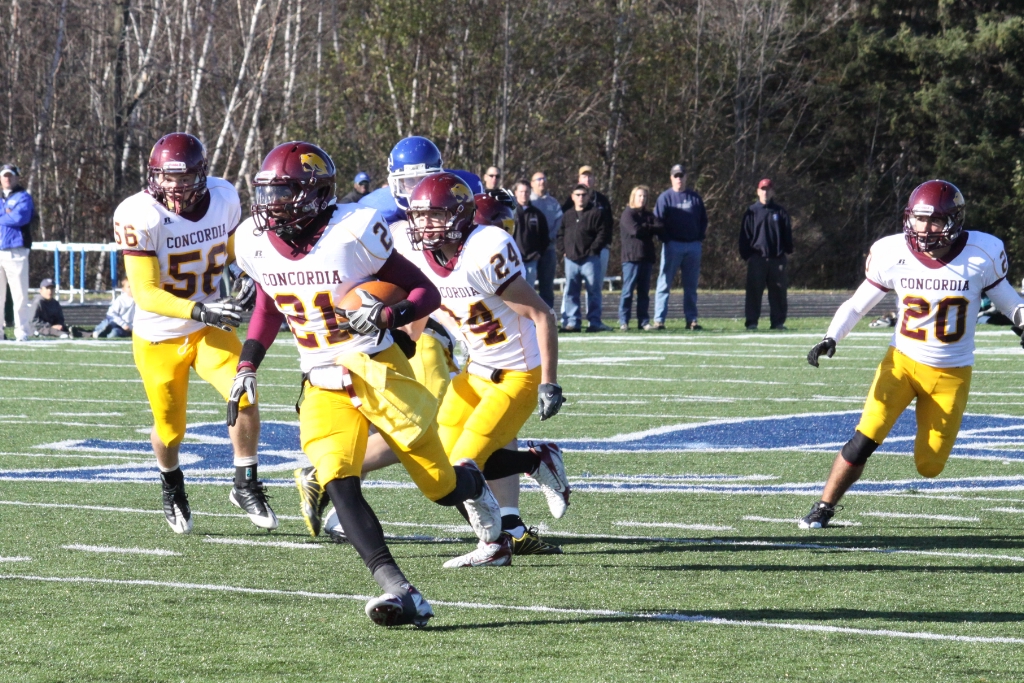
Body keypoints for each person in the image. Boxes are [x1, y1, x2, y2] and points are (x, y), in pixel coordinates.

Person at [232, 142, 503, 626]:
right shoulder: (252, 239)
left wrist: (387, 313)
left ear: (314, 193)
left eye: (284, 193)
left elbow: (425, 291)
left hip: (379, 371)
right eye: (267, 192)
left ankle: (472, 482)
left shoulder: (354, 230)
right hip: (320, 380)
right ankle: (399, 590)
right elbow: (269, 303)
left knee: (440, 487)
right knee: (337, 479)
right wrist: (248, 364)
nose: (271, 203)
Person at [801, 179, 1024, 529]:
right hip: (901, 363)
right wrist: (832, 336)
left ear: (954, 221)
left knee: (929, 466)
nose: (924, 228)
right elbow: (858, 305)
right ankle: (824, 506)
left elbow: (1010, 302)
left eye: (934, 220)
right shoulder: (893, 253)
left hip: (951, 374)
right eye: (919, 219)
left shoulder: (981, 253)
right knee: (865, 437)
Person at [397, 172, 569, 567]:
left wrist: (549, 383)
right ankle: (535, 462)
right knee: (438, 457)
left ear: (459, 216)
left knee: (464, 463)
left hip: (519, 372)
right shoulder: (418, 256)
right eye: (419, 216)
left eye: (435, 216)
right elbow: (416, 321)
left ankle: (496, 546)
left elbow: (542, 315)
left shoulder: (484, 249)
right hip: (476, 370)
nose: (425, 225)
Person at [112, 132, 275, 534]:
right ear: (154, 176)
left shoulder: (223, 197)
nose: (177, 186)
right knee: (170, 429)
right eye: (169, 177)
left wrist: (245, 272)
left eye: (186, 178)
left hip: (208, 326)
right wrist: (202, 307)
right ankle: (171, 482)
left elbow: (234, 250)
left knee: (245, 391)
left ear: (203, 174)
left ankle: (245, 482)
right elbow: (146, 292)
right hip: (159, 335)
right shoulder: (138, 213)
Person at [653, 164, 708, 330]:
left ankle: (691, 320)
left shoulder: (695, 198)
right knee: (664, 284)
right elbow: (658, 221)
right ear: (671, 178)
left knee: (691, 286)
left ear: (686, 177)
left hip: (692, 246)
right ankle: (659, 320)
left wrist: (698, 239)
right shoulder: (665, 198)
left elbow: (703, 220)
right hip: (672, 245)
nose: (679, 179)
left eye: (681, 175)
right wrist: (667, 240)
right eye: (676, 176)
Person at [739, 178, 793, 331]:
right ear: (758, 191)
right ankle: (752, 322)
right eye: (763, 189)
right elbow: (744, 235)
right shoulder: (752, 212)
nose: (765, 192)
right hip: (757, 258)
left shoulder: (780, 211)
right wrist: (747, 255)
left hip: (777, 259)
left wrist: (786, 251)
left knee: (778, 293)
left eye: (768, 189)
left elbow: (787, 234)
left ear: (772, 191)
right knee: (754, 293)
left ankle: (777, 322)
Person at [558, 185, 611, 332]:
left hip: (590, 259)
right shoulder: (567, 215)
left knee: (593, 291)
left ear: (588, 197)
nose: (581, 197)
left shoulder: (595, 214)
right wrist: (564, 250)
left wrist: (593, 250)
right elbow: (560, 234)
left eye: (583, 195)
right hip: (571, 259)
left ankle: (594, 322)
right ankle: (573, 322)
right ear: (572, 196)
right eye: (578, 194)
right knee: (571, 291)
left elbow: (602, 234)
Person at [618, 186, 662, 331]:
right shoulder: (628, 214)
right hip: (631, 258)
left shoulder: (648, 214)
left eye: (644, 196)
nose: (642, 199)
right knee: (628, 291)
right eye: (639, 196)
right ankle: (624, 321)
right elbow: (635, 230)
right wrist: (649, 228)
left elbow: (660, 226)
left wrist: (646, 227)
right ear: (633, 197)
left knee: (644, 292)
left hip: (647, 257)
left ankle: (643, 322)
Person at [0, 164, 34, 342]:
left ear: (17, 177)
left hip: (16, 250)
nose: (7, 179)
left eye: (10, 176)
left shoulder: (23, 197)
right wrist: (5, 214)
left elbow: (19, 218)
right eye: (4, 176)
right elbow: (9, 218)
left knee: (19, 294)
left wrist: (6, 216)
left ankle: (22, 330)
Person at [529, 171, 562, 308]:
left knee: (547, 286)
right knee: (528, 287)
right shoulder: (528, 201)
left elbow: (559, 221)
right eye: (538, 179)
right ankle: (528, 321)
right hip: (529, 251)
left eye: (544, 178)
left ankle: (548, 318)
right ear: (532, 183)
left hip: (548, 249)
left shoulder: (553, 202)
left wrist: (549, 238)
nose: (542, 181)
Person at [512, 179, 549, 289]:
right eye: (521, 191)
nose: (524, 194)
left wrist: (538, 253)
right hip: (513, 261)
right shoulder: (509, 212)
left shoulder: (537, 214)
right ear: (516, 193)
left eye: (527, 192)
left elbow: (544, 237)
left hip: (531, 261)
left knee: (528, 291)